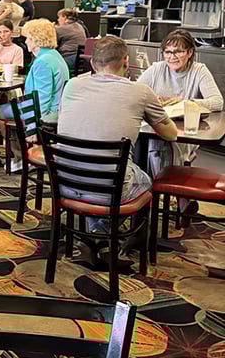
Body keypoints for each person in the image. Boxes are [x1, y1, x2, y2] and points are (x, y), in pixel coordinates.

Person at [57, 36, 177, 233]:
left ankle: (97, 230)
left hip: (65, 183)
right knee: (148, 181)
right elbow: (170, 135)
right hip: (110, 192)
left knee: (108, 171)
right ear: (126, 61)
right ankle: (121, 233)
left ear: (92, 63)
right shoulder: (141, 92)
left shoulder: (71, 85)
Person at [137, 29, 223, 211]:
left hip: (184, 131)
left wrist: (185, 103)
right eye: (167, 52)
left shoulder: (199, 70)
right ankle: (176, 197)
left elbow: (217, 102)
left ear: (190, 52)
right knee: (154, 142)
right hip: (157, 126)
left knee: (161, 144)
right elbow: (135, 92)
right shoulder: (157, 68)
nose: (172, 57)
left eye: (178, 52)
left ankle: (155, 193)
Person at [0, 18, 69, 171]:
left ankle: (21, 155)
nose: (26, 41)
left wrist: (33, 127)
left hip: (45, 112)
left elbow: (42, 99)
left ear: (35, 40)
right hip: (57, 108)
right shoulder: (54, 55)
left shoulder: (43, 62)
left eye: (28, 38)